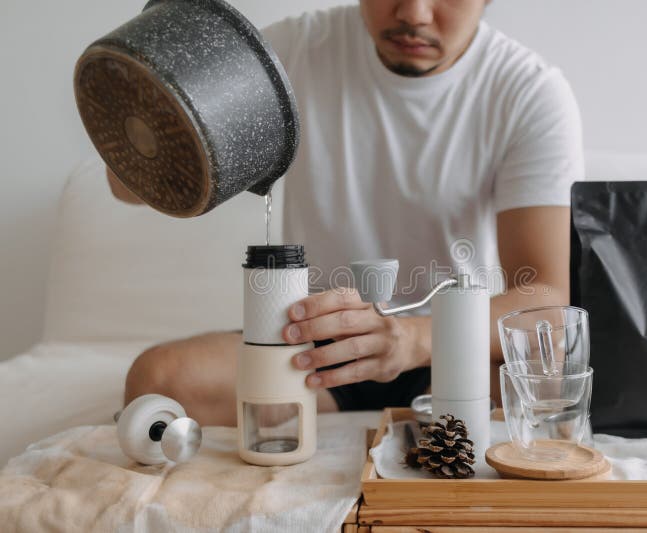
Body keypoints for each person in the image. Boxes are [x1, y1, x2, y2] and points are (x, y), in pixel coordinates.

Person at [113, 0, 583, 425]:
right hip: (314, 339)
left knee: (519, 403)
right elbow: (128, 187)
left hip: (448, 346)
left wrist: (411, 339)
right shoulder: (292, 53)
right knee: (159, 380)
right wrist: (147, 112)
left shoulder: (527, 91)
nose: (415, 13)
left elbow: (545, 299)